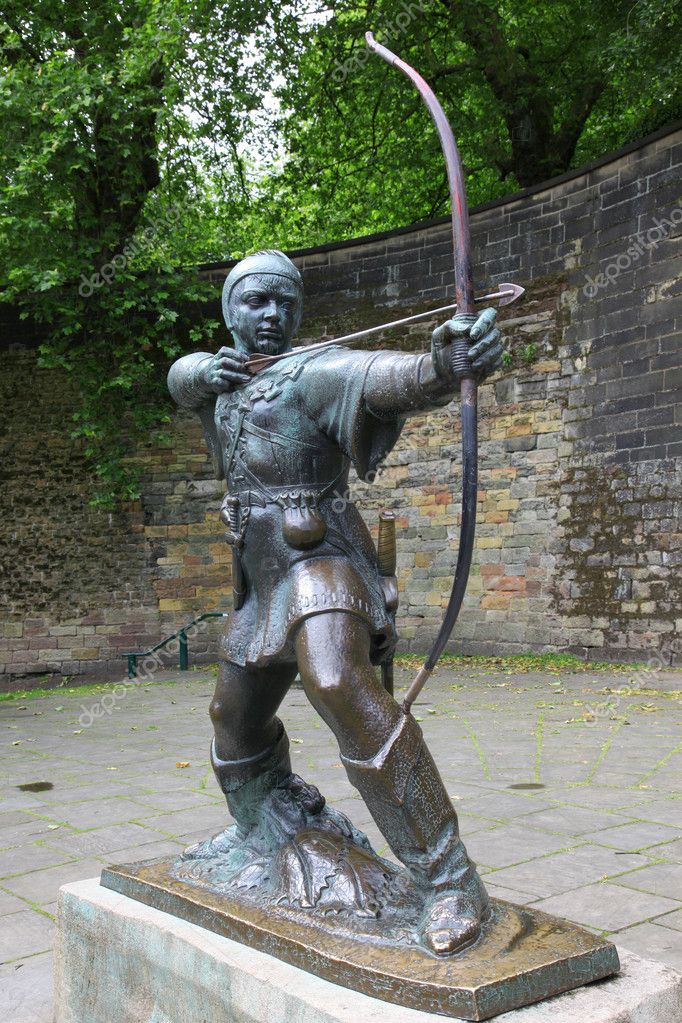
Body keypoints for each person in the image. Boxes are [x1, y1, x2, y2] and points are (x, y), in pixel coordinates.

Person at [168, 249, 504, 954]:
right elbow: (181, 379)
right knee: (233, 720)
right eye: (256, 300)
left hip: (319, 564)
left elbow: (383, 376)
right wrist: (201, 369)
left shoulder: (314, 371)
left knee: (336, 680)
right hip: (262, 580)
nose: (272, 315)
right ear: (230, 309)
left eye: (285, 303)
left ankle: (449, 879)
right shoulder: (224, 383)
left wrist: (444, 365)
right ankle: (266, 823)